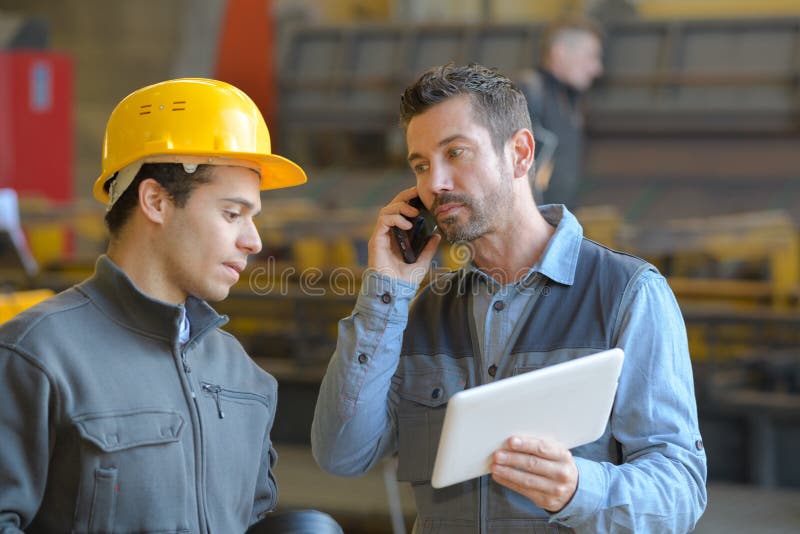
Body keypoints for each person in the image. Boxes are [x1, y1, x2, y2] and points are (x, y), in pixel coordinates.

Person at [311, 64, 707, 532]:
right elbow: (342, 454)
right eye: (420, 165)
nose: (434, 183)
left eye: (455, 152)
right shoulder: (421, 311)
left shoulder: (627, 295)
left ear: (519, 154)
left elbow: (680, 491)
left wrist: (579, 489)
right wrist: (386, 293)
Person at [0, 78, 306, 532]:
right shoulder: (38, 356)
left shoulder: (242, 374)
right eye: (232, 214)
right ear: (156, 201)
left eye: (253, 217)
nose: (253, 240)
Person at [520, 17, 604, 208]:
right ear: (560, 52)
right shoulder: (528, 94)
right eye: (591, 57)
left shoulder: (572, 101)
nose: (597, 69)